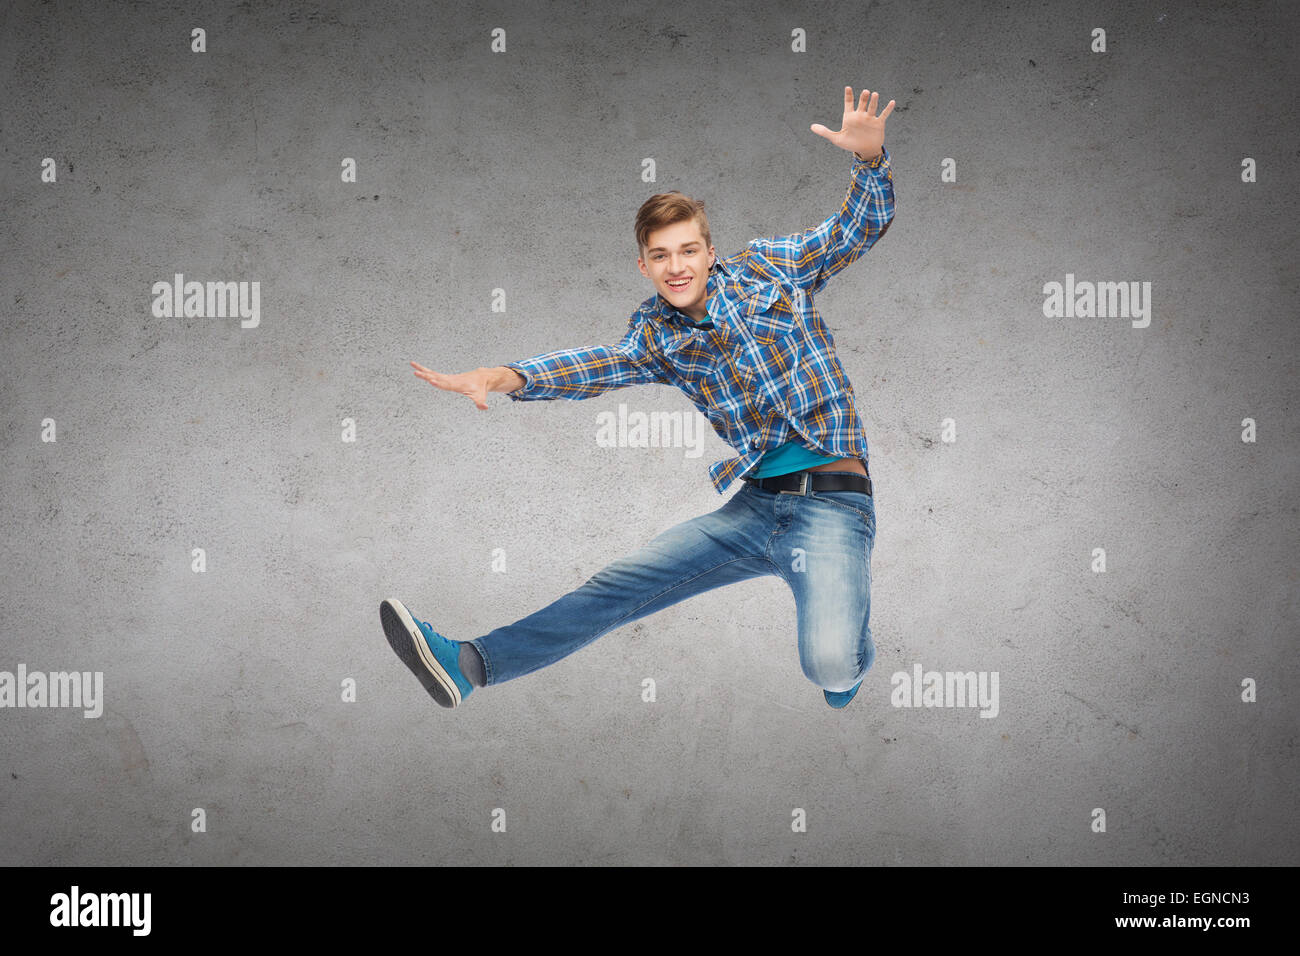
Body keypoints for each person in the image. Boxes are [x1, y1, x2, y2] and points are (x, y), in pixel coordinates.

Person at [382, 86, 896, 711]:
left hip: (834, 509)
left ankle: (848, 661)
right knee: (617, 585)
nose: (676, 267)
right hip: (755, 509)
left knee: (830, 667)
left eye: (687, 251)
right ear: (644, 266)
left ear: (710, 252)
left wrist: (869, 160)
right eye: (660, 257)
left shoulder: (771, 269)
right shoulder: (656, 333)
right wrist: (501, 376)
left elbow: (853, 231)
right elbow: (597, 366)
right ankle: (467, 664)